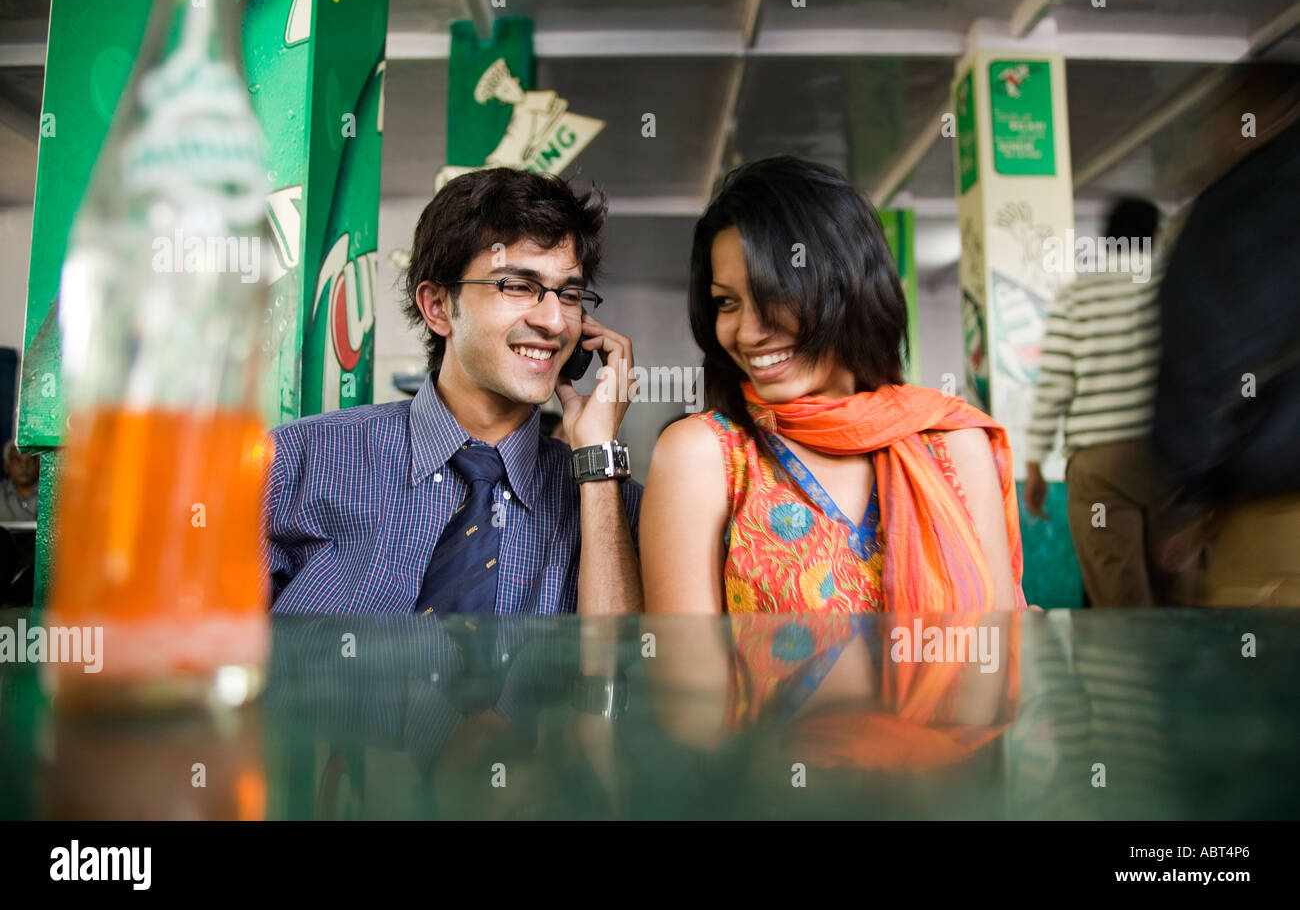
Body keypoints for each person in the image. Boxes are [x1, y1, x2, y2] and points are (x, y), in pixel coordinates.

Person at [640, 155, 1025, 614]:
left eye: (775, 294)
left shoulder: (953, 444)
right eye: (726, 302)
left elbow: (998, 656)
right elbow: (689, 681)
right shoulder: (706, 454)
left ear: (848, 286)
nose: (746, 332)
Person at [265, 168, 642, 614]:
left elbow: (612, 674)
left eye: (570, 295)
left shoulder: (614, 505)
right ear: (438, 307)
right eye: (519, 287)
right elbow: (200, 657)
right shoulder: (294, 463)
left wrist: (597, 460)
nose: (555, 322)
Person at [1152, 66, 1300, 606]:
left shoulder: (1229, 214)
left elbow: (1202, 363)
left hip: (1274, 511)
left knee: (1262, 677)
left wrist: (1190, 499)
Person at [1023, 198, 1187, 608]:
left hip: (1100, 465)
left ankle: (1128, 669)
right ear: (1155, 235)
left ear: (1107, 241)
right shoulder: (1172, 284)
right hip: (1172, 455)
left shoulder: (1078, 297)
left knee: (1120, 596)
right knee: (1180, 587)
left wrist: (1034, 462)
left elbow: (1055, 386)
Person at [0, 441, 39, 522]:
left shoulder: (51, 493)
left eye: (30, 460)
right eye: (17, 460)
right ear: (6, 466)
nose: (24, 466)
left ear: (38, 465)